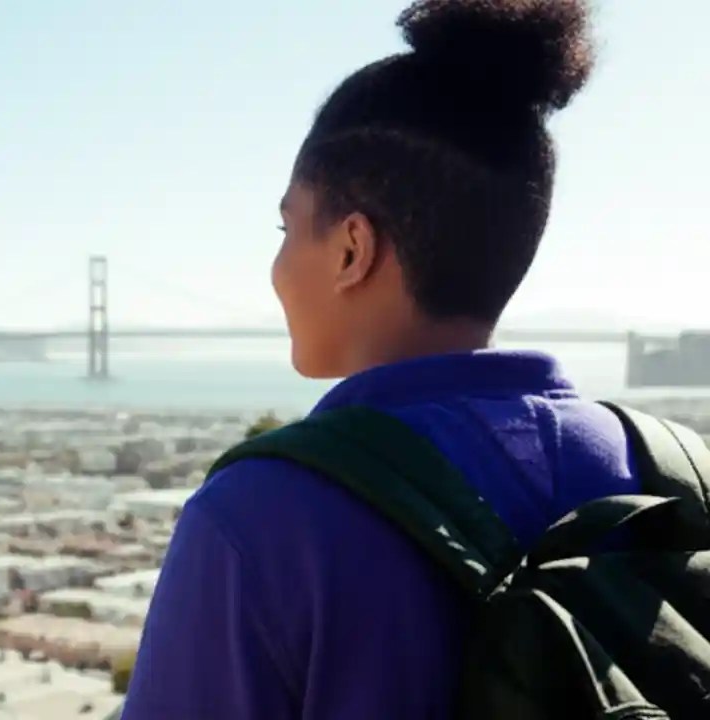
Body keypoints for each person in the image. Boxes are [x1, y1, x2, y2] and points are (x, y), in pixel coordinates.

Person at [119, 0, 607, 718]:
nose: (276, 266)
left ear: (352, 248)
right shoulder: (666, 471)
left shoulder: (260, 520)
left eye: (286, 226)